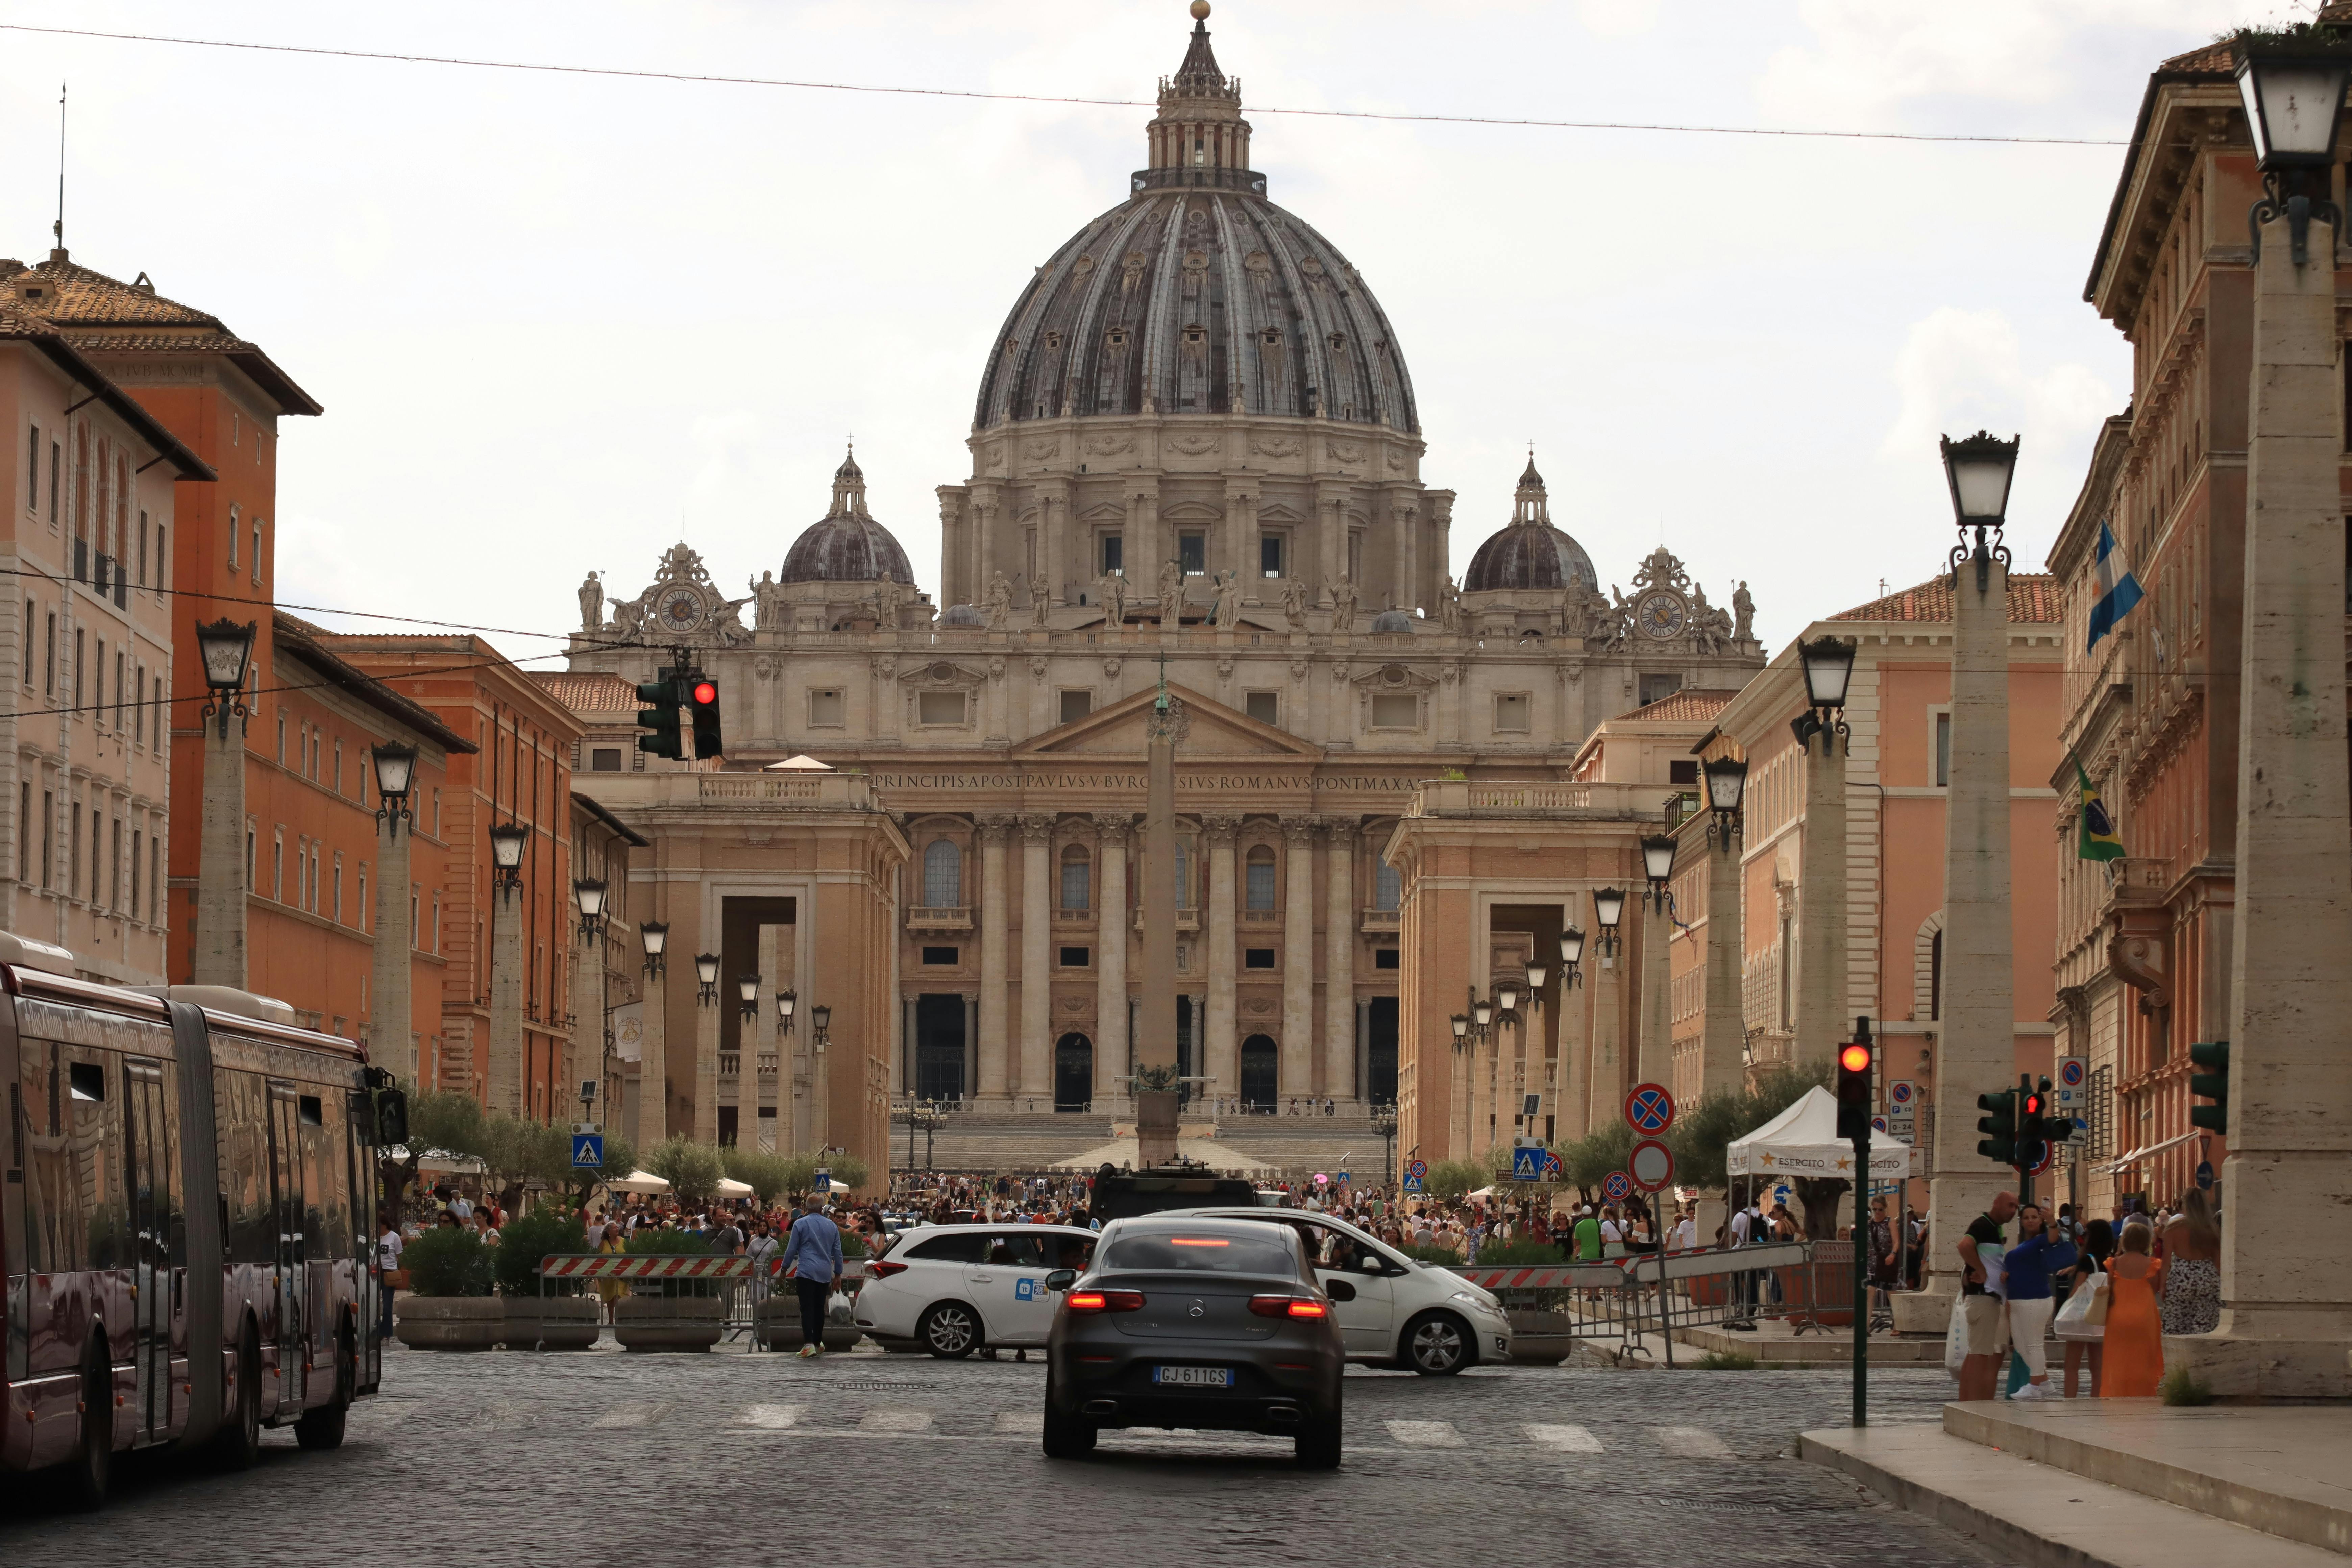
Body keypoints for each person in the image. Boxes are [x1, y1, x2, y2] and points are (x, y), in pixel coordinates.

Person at [1956, 1189, 2018, 1402]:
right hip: (1983, 1297)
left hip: (1987, 1298)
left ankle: (1970, 1404)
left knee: (1979, 1354)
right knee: (1979, 1355)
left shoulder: (1994, 1228)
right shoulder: (1983, 1224)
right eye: (2010, 1205)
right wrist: (1980, 1270)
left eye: (2016, 1207)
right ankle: (1970, 1405)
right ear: (1997, 1204)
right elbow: (1964, 1245)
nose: (2014, 1211)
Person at [2002, 1203, 2060, 1400]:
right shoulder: (2024, 1245)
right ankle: (2044, 1382)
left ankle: (2035, 1385)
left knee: (2034, 1344)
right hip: (2017, 1300)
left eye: (2034, 1217)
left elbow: (2054, 1238)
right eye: (2026, 1218)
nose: (2030, 1221)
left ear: (2041, 1220)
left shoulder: (2042, 1240)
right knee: (2020, 1346)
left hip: (2035, 1300)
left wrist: (2052, 1222)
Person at [2101, 1221, 2165, 1397]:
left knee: (2119, 1358)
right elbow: (2155, 1287)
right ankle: (2144, 1393)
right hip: (2145, 1315)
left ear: (2125, 1241)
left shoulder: (2114, 1263)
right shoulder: (2152, 1264)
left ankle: (2120, 1393)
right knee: (2145, 1357)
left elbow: (2109, 1287)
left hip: (2118, 1315)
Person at [780, 1193, 844, 1358]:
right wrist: (838, 1274)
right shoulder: (832, 1226)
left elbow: (792, 1249)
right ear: (822, 1208)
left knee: (807, 1308)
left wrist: (784, 1268)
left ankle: (808, 1344)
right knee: (819, 1308)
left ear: (807, 1208)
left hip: (806, 1272)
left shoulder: (800, 1224)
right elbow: (838, 1252)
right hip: (824, 1272)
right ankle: (817, 1342)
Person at [2062, 1218, 2113, 1398]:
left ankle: (2070, 1401)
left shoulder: (2087, 1260)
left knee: (2071, 1366)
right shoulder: (2110, 1260)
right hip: (2099, 1315)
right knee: (2097, 1366)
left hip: (2081, 1315)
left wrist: (2067, 1306)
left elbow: (2077, 1288)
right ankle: (2097, 1399)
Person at [2161, 1188, 2221, 1336]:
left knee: (2176, 1327)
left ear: (2185, 1205)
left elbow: (2166, 1261)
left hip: (2181, 1279)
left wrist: (2163, 1286)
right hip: (2207, 1279)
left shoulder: (2174, 1228)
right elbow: (2218, 1261)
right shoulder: (2211, 1228)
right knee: (2205, 1327)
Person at [376, 1212, 403, 1341]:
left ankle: (386, 1333)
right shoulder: (374, 1238)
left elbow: (400, 1256)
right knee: (374, 1305)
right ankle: (377, 1330)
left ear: (385, 1225)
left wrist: (397, 1271)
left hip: (389, 1273)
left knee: (387, 1305)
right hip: (375, 1273)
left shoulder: (394, 1237)